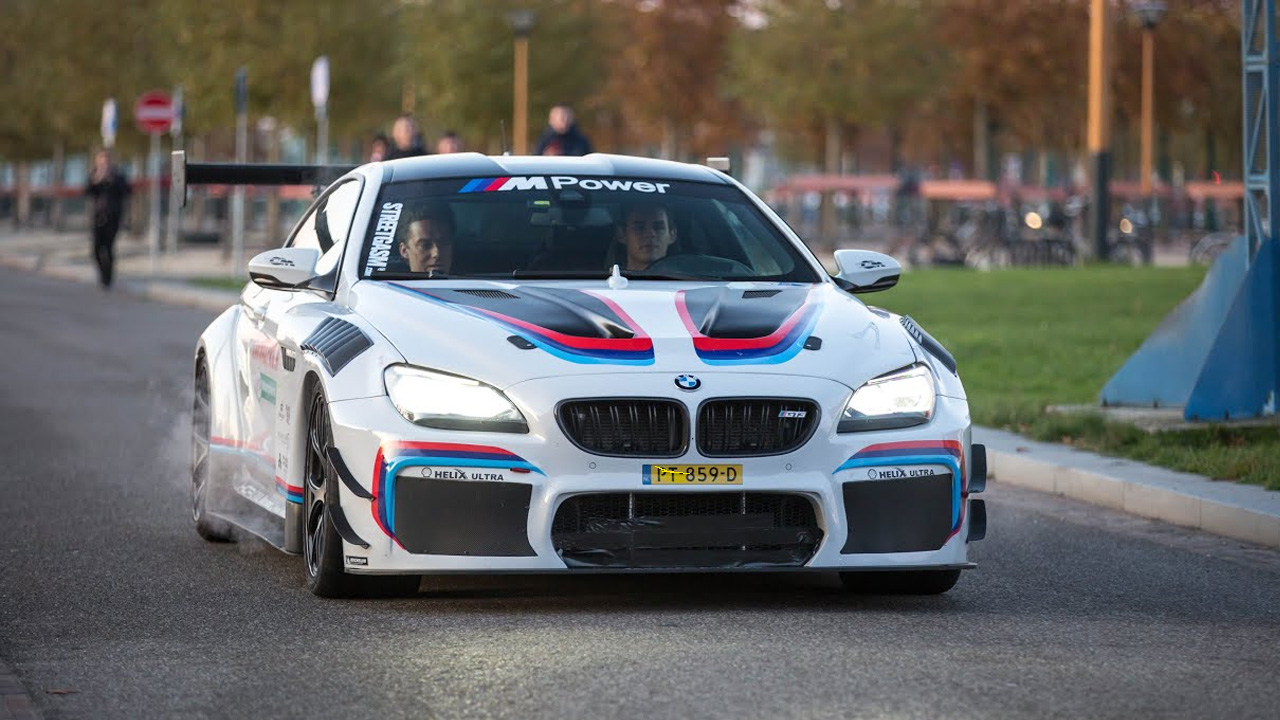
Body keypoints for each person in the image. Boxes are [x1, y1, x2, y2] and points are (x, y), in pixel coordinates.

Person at [84, 149, 131, 288]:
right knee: (96, 248)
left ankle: (108, 278)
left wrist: (113, 180)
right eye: (101, 159)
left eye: (106, 160)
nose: (104, 163)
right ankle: (103, 273)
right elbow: (87, 192)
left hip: (113, 216)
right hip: (98, 216)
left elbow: (127, 191)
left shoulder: (118, 175)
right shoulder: (94, 176)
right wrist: (97, 179)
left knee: (109, 247)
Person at [615, 202, 675, 271]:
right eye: (639, 228)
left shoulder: (688, 281)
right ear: (622, 234)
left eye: (658, 227)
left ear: (672, 234)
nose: (650, 234)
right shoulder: (605, 280)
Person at [398, 203, 454, 275]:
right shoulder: (384, 285)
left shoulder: (469, 282)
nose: (436, 254)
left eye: (443, 242)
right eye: (425, 245)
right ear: (404, 251)